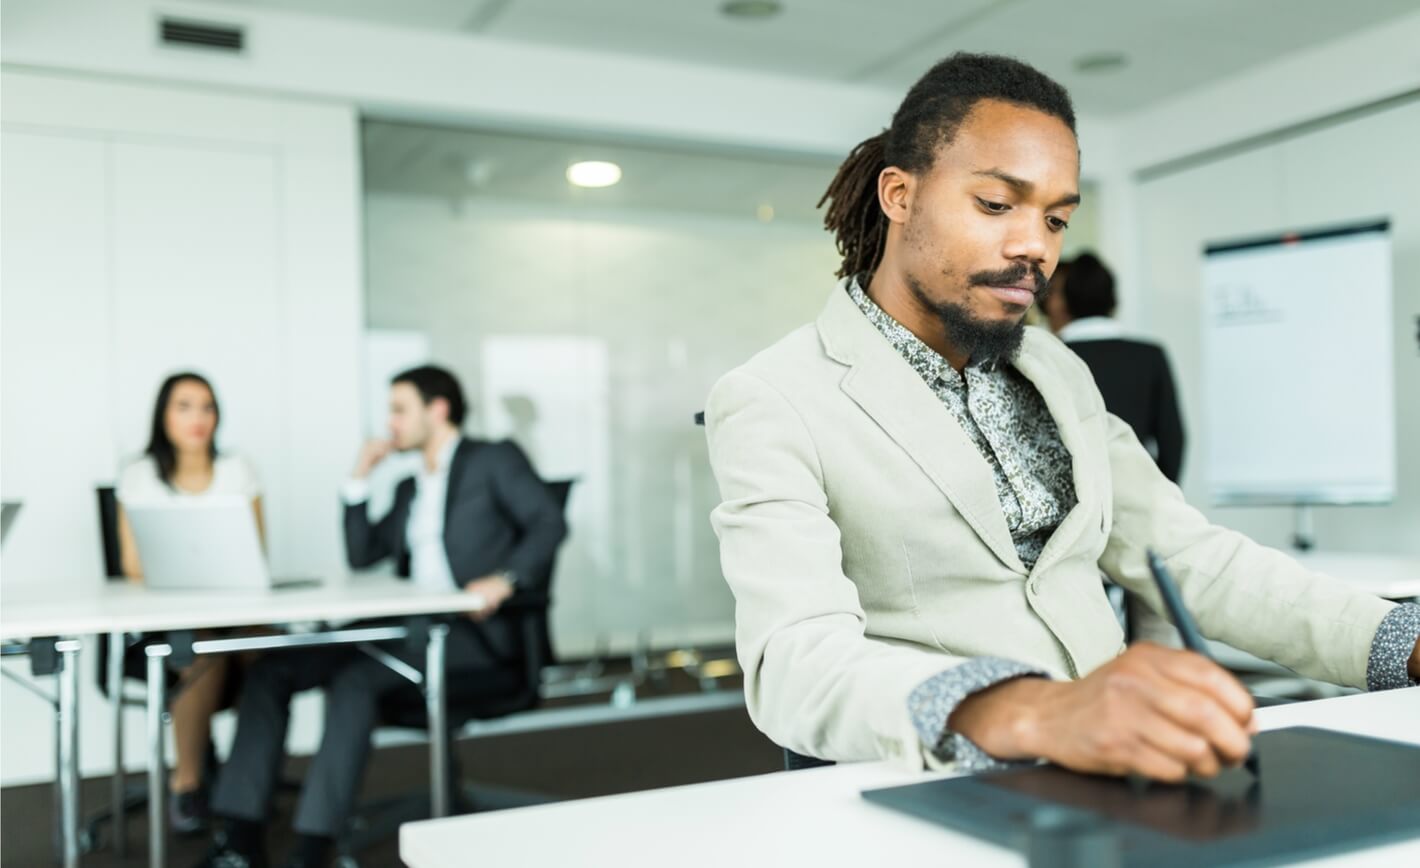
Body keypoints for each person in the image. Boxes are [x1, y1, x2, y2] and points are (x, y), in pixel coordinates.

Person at [703, 52, 1419, 782]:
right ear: (899, 195)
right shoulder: (774, 395)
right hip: (925, 791)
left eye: (1055, 218)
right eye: (995, 205)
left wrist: (1404, 640)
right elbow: (796, 663)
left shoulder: (1056, 368)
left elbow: (1193, 559)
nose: (1034, 246)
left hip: (1109, 785)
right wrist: (1034, 712)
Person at [197, 365, 567, 868]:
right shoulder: (410, 489)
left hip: (475, 637)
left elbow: (549, 522)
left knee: (355, 682)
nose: (389, 422)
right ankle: (239, 841)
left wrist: (505, 580)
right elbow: (363, 553)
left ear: (437, 410)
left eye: (399, 409)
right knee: (271, 669)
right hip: (404, 629)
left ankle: (311, 848)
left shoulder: (493, 460)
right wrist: (358, 478)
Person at [116, 372, 263, 833]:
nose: (197, 418)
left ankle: (248, 781)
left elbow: (255, 552)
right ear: (164, 415)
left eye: (206, 406)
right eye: (184, 406)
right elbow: (133, 564)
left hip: (236, 614)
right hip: (168, 623)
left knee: (270, 651)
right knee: (204, 654)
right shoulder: (140, 474)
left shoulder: (237, 470)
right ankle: (189, 780)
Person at [1044, 251, 1186, 483]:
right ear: (1113, 299)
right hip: (1137, 493)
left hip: (1071, 504)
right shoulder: (1150, 356)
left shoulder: (1047, 357)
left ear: (1064, 303)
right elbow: (1173, 441)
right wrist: (1161, 500)